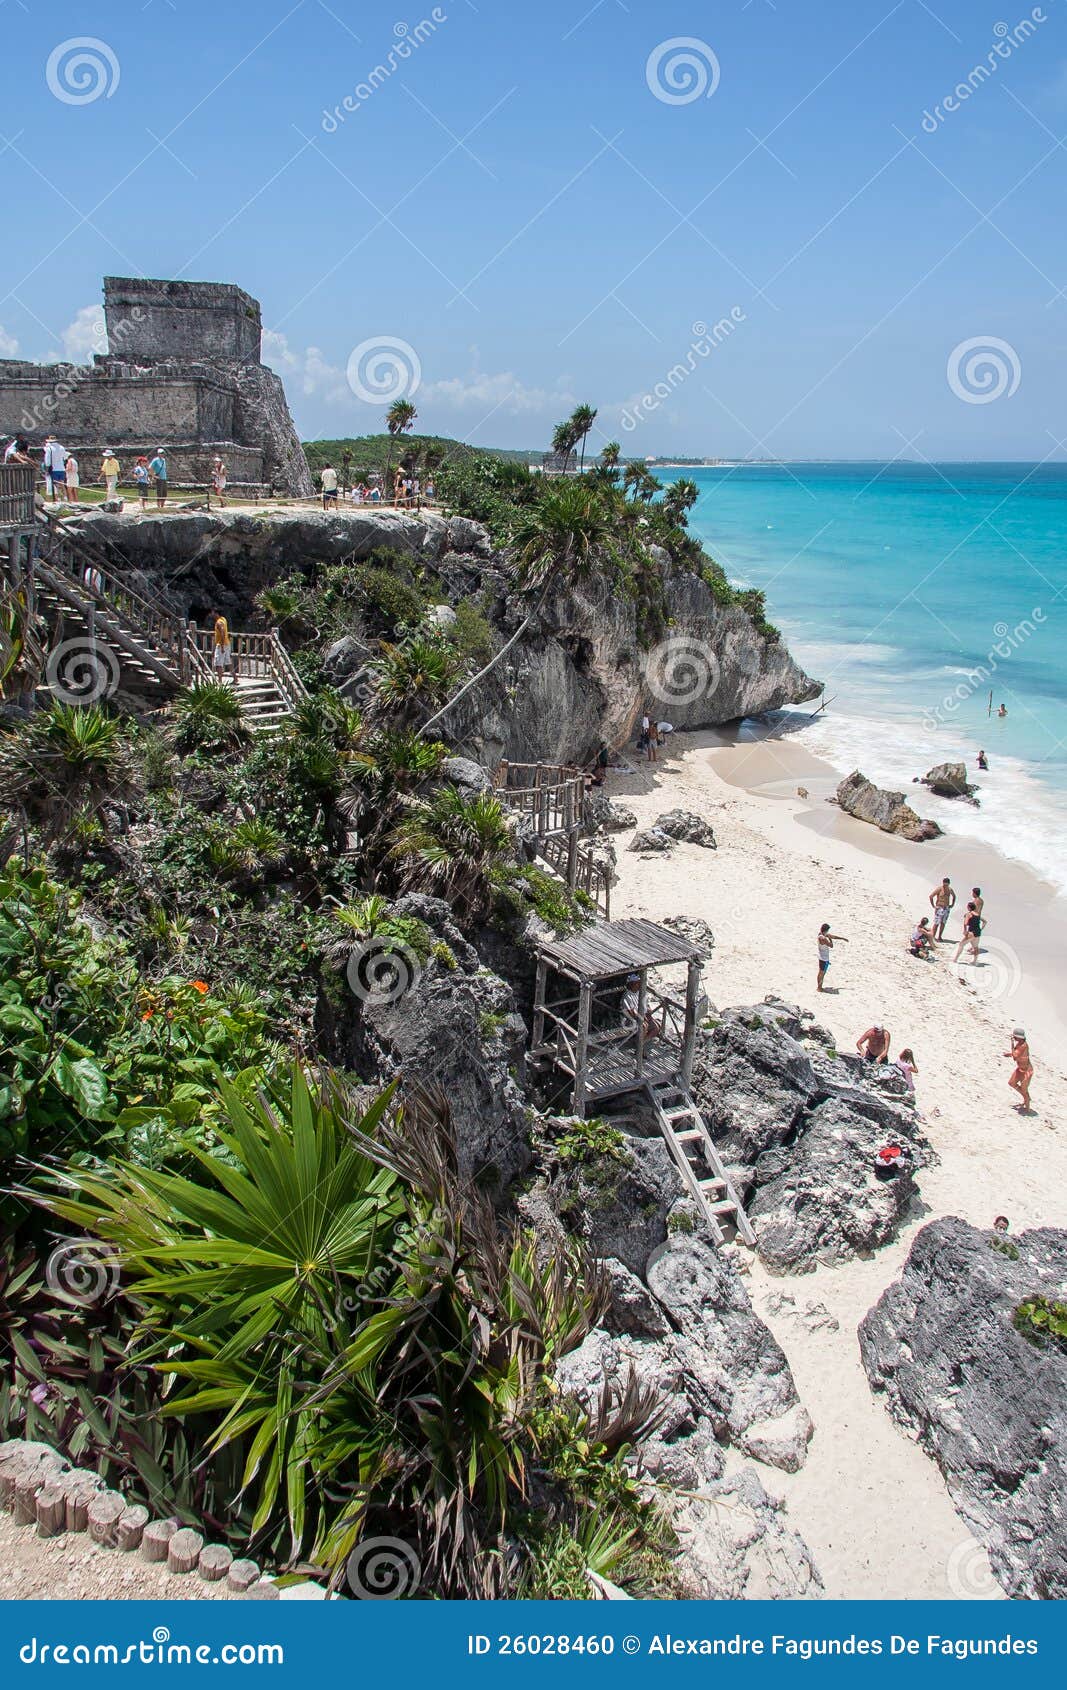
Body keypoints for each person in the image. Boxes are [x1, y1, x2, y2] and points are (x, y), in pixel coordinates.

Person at [622, 973, 664, 1041]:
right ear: (632, 984)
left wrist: (648, 1011)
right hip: (631, 1020)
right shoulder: (627, 996)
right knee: (644, 1026)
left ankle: (642, 1042)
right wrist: (642, 1017)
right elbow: (631, 1012)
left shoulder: (641, 993)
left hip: (644, 1016)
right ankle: (639, 1044)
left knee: (656, 1027)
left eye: (639, 983)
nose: (639, 985)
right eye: (637, 983)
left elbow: (646, 1005)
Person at [1005, 1028, 1033, 1112]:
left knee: (1024, 1090)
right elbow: (1017, 1054)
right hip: (1020, 1069)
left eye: (1015, 1037)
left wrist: (1012, 1044)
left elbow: (1015, 1057)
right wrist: (1010, 1054)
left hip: (1027, 1071)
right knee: (1011, 1083)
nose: (1014, 1038)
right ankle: (1026, 1097)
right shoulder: (1020, 1043)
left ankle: (1027, 1108)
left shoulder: (1023, 1046)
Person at [817, 922, 847, 991]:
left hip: (821, 957)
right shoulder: (823, 938)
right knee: (822, 974)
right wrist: (830, 939)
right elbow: (831, 945)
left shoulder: (820, 934)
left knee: (820, 973)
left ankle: (819, 987)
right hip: (824, 958)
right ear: (826, 930)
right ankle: (819, 988)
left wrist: (842, 938)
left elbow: (833, 936)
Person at [953, 900, 982, 964]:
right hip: (978, 932)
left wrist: (965, 931)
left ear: (969, 907)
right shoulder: (978, 914)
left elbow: (965, 923)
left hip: (971, 932)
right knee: (976, 947)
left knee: (961, 944)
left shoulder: (969, 914)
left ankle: (955, 959)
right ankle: (974, 961)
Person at [211, 611, 235, 686]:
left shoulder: (218, 622)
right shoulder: (223, 619)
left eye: (213, 613)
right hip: (227, 643)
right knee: (228, 662)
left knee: (218, 663)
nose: (212, 615)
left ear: (216, 613)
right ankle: (235, 678)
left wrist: (221, 646)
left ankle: (220, 681)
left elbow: (222, 633)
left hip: (221, 644)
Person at [929, 876, 956, 940]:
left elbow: (954, 896)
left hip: (946, 908)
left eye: (946, 885)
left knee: (943, 923)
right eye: (944, 884)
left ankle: (939, 936)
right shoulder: (939, 889)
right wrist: (933, 906)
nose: (945, 886)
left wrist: (952, 904)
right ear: (943, 883)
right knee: (936, 923)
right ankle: (933, 936)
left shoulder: (950, 889)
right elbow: (931, 896)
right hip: (939, 907)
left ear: (949, 884)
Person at [42, 435, 67, 501]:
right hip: (61, 468)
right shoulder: (62, 447)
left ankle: (58, 498)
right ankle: (65, 497)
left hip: (54, 468)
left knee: (56, 485)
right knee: (62, 483)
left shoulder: (49, 449)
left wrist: (47, 468)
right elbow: (65, 457)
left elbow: (47, 460)